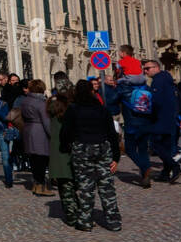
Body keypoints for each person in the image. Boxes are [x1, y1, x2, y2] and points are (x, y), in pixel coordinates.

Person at [59, 80, 122, 232]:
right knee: (106, 186)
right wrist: (116, 156)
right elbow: (112, 133)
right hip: (102, 148)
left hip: (82, 148)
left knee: (86, 186)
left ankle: (85, 221)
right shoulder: (101, 109)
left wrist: (65, 147)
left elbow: (65, 132)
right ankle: (114, 221)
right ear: (91, 91)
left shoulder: (73, 109)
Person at [144, 60, 181, 184]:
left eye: (147, 68)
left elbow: (157, 101)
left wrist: (150, 113)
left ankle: (174, 166)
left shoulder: (159, 80)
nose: (145, 71)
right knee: (166, 145)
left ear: (156, 67)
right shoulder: (168, 78)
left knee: (156, 145)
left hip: (161, 118)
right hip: (170, 117)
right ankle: (165, 173)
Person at [17, 80, 54, 196]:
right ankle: (41, 186)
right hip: (39, 132)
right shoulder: (41, 102)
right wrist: (52, 135)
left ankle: (36, 184)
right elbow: (46, 121)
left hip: (28, 130)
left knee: (34, 160)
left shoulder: (25, 101)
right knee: (41, 161)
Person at [46, 94, 76, 226]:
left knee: (64, 187)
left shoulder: (52, 115)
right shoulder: (68, 116)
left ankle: (71, 214)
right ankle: (74, 214)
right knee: (71, 185)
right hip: (68, 151)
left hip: (57, 153)